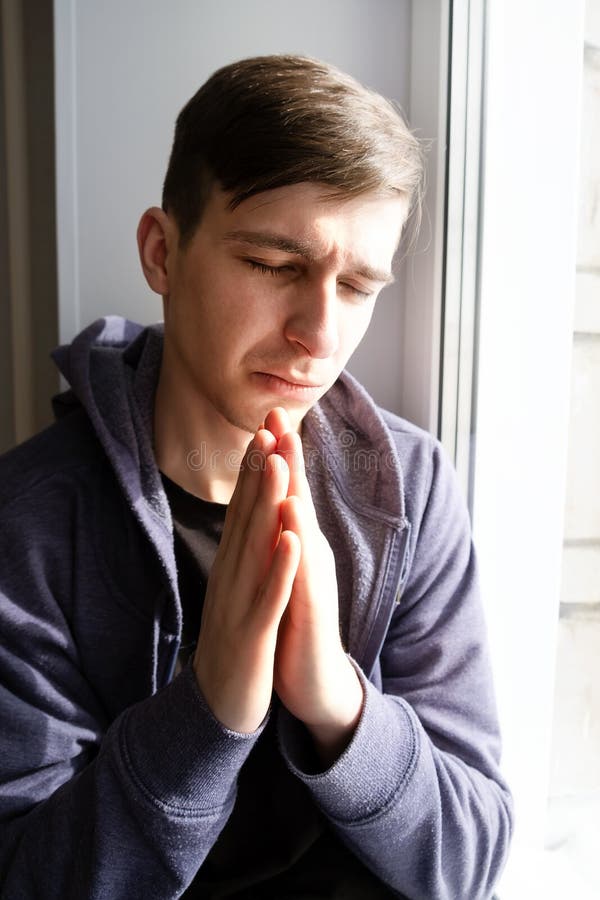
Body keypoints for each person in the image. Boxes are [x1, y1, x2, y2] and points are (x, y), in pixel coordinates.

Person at [0, 54, 512, 899]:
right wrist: (208, 713)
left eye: (356, 284)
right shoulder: (30, 527)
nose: (318, 330)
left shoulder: (411, 488)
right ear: (162, 253)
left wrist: (337, 700)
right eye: (275, 265)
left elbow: (470, 863)